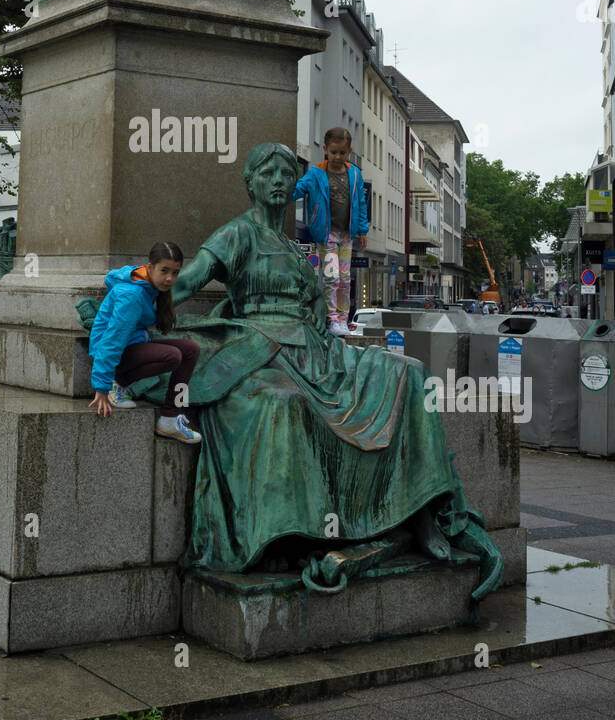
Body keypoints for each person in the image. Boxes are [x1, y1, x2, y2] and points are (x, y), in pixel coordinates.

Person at [130, 143, 503, 600]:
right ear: (250, 182)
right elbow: (184, 282)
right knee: (284, 405)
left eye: (286, 174)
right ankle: (292, 535)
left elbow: (318, 313)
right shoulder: (236, 234)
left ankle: (421, 510)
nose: (278, 181)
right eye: (267, 173)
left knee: (415, 374)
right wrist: (130, 309)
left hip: (317, 350)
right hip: (261, 348)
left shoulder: (292, 245)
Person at [88, 242, 202, 445]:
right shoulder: (131, 295)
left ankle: (170, 417)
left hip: (132, 345)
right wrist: (102, 387)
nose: (169, 279)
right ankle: (119, 384)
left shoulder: (150, 286)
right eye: (164, 271)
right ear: (150, 267)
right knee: (173, 356)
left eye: (175, 273)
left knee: (191, 349)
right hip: (113, 354)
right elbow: (112, 341)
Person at [292, 127, 369, 337]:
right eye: (333, 152)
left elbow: (361, 203)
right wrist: (285, 191)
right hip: (327, 235)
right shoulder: (316, 173)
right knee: (332, 276)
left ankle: (343, 319)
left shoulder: (354, 173)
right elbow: (299, 188)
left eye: (342, 153)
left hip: (346, 235)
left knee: (345, 278)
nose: (337, 157)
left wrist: (362, 230)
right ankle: (331, 317)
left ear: (349, 152)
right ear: (325, 149)